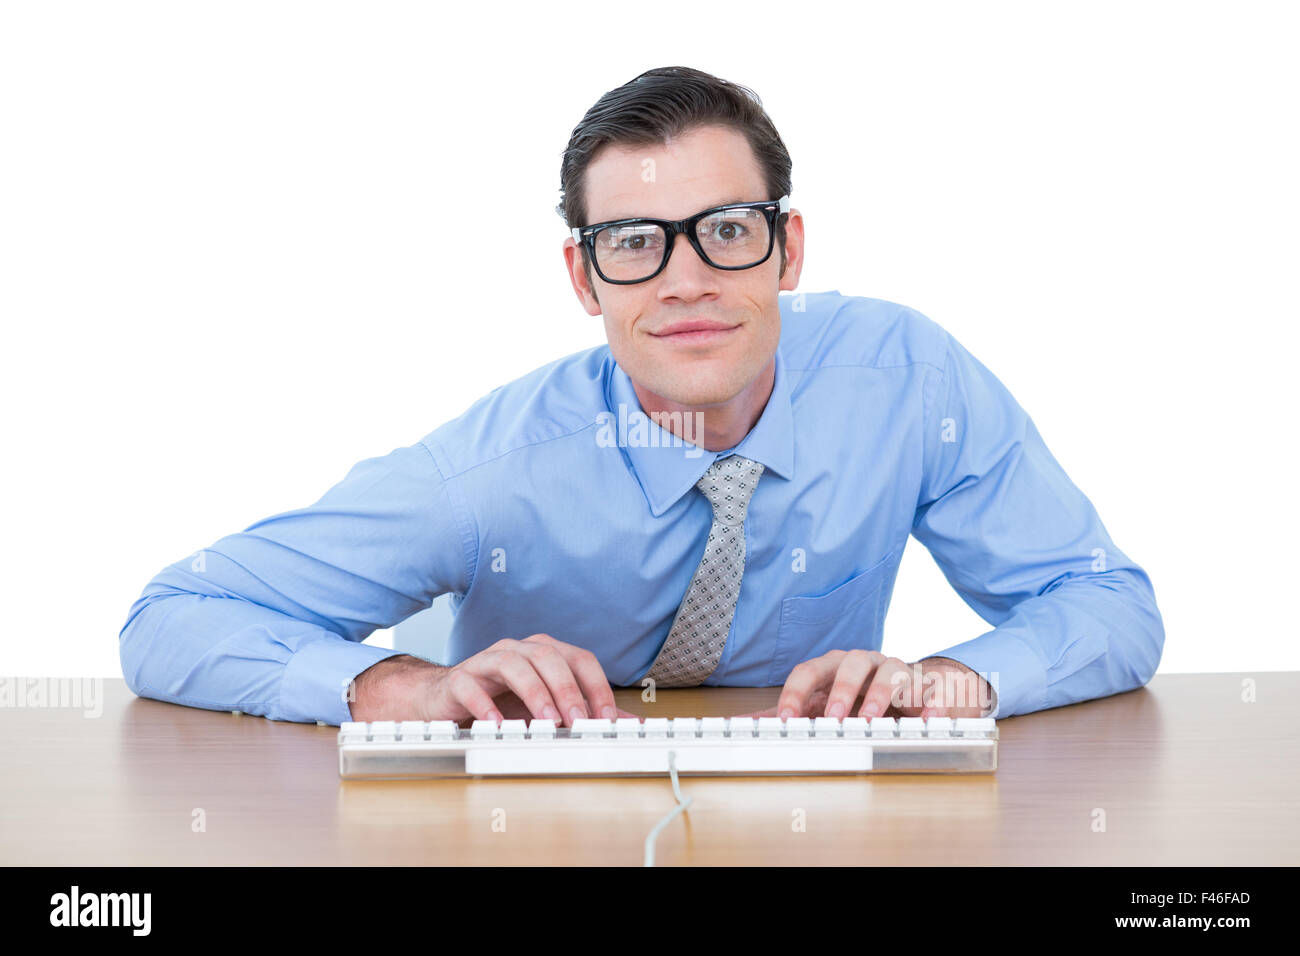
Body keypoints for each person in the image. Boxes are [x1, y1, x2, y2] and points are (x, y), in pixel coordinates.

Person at [119, 66, 1163, 727]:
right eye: (632, 243)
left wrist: (950, 681)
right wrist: (394, 686)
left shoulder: (907, 382)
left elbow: (1106, 602)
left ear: (785, 248)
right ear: (583, 281)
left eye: (727, 228)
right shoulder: (488, 475)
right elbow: (175, 612)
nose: (686, 280)